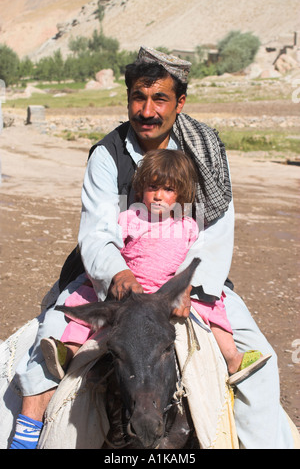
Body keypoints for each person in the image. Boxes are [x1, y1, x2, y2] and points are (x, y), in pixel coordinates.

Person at [10, 46, 296, 449]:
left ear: (179, 103)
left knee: (259, 363)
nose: (147, 110)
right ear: (128, 99)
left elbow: (217, 228)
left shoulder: (205, 150)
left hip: (190, 281)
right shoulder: (106, 156)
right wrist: (118, 275)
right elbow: (97, 232)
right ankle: (26, 433)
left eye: (159, 98)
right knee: (43, 355)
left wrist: (189, 288)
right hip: (113, 281)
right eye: (138, 98)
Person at [41, 149, 271, 386]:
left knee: (213, 303)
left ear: (180, 193)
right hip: (131, 291)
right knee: (86, 305)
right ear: (141, 189)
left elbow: (197, 257)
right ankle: (68, 353)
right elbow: (107, 245)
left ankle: (232, 356)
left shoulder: (189, 225)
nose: (159, 196)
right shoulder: (130, 218)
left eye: (168, 190)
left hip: (166, 293)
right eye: (153, 188)